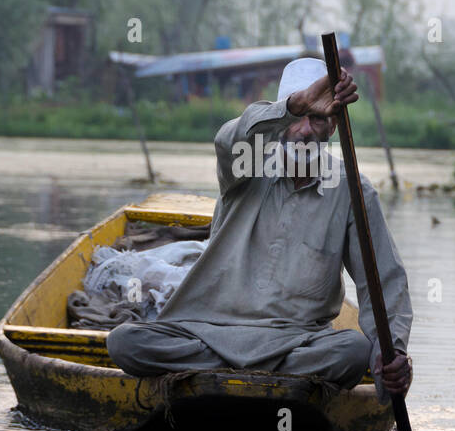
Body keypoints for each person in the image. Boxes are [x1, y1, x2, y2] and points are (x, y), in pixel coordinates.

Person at [106, 57, 413, 397]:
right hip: (208, 332)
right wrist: (297, 104)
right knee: (126, 341)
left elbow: (382, 281)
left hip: (296, 342)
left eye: (318, 119)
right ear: (280, 119)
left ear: (334, 128)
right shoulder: (245, 164)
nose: (304, 131)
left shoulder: (353, 189)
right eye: (296, 118)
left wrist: (393, 352)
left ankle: (225, 375)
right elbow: (226, 140)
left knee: (352, 353)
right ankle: (263, 377)